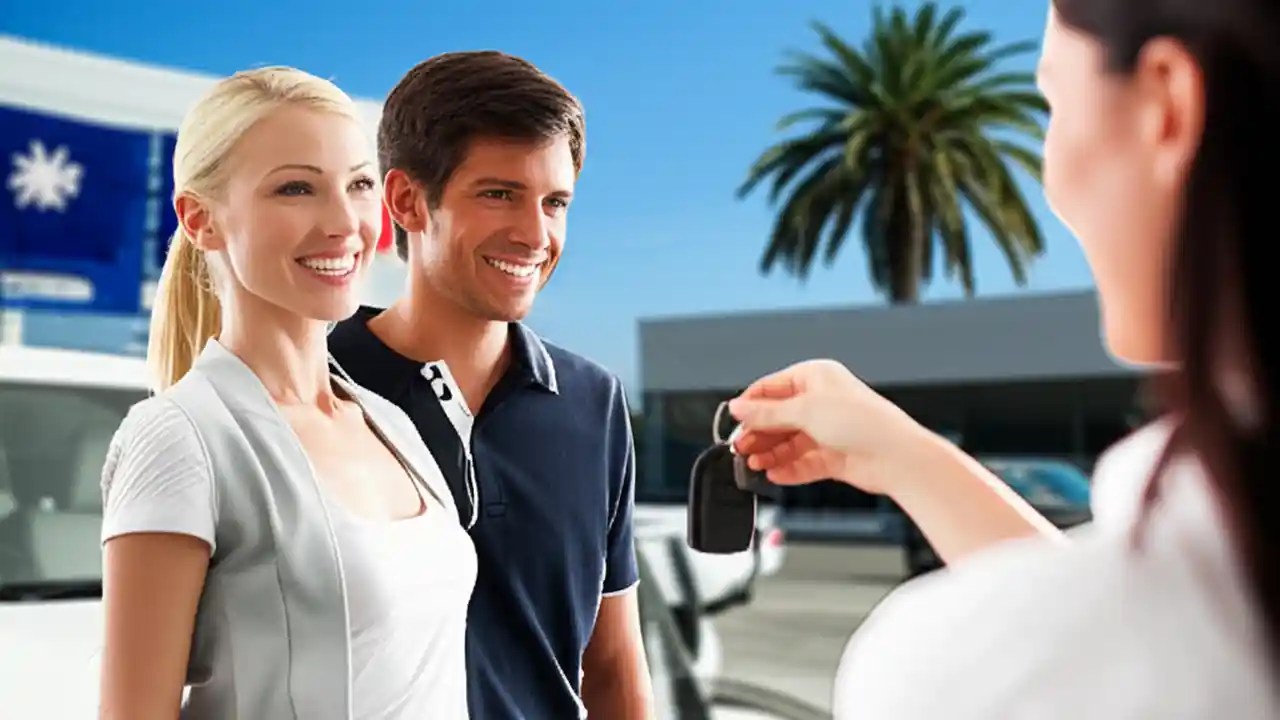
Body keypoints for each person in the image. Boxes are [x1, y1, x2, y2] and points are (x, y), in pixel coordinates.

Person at [727, 1, 1279, 718]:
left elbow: (1089, 651)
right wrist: (908, 458)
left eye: (1052, 100)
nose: (1050, 183)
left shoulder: (944, 667)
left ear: (1166, 105)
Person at [98, 67, 476, 719]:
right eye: (296, 188)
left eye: (358, 185)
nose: (343, 222)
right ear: (200, 219)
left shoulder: (391, 424)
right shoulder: (180, 440)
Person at [327, 51, 654, 719]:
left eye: (555, 202)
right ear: (407, 201)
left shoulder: (594, 405)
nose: (536, 235)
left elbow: (614, 663)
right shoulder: (308, 382)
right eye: (499, 194)